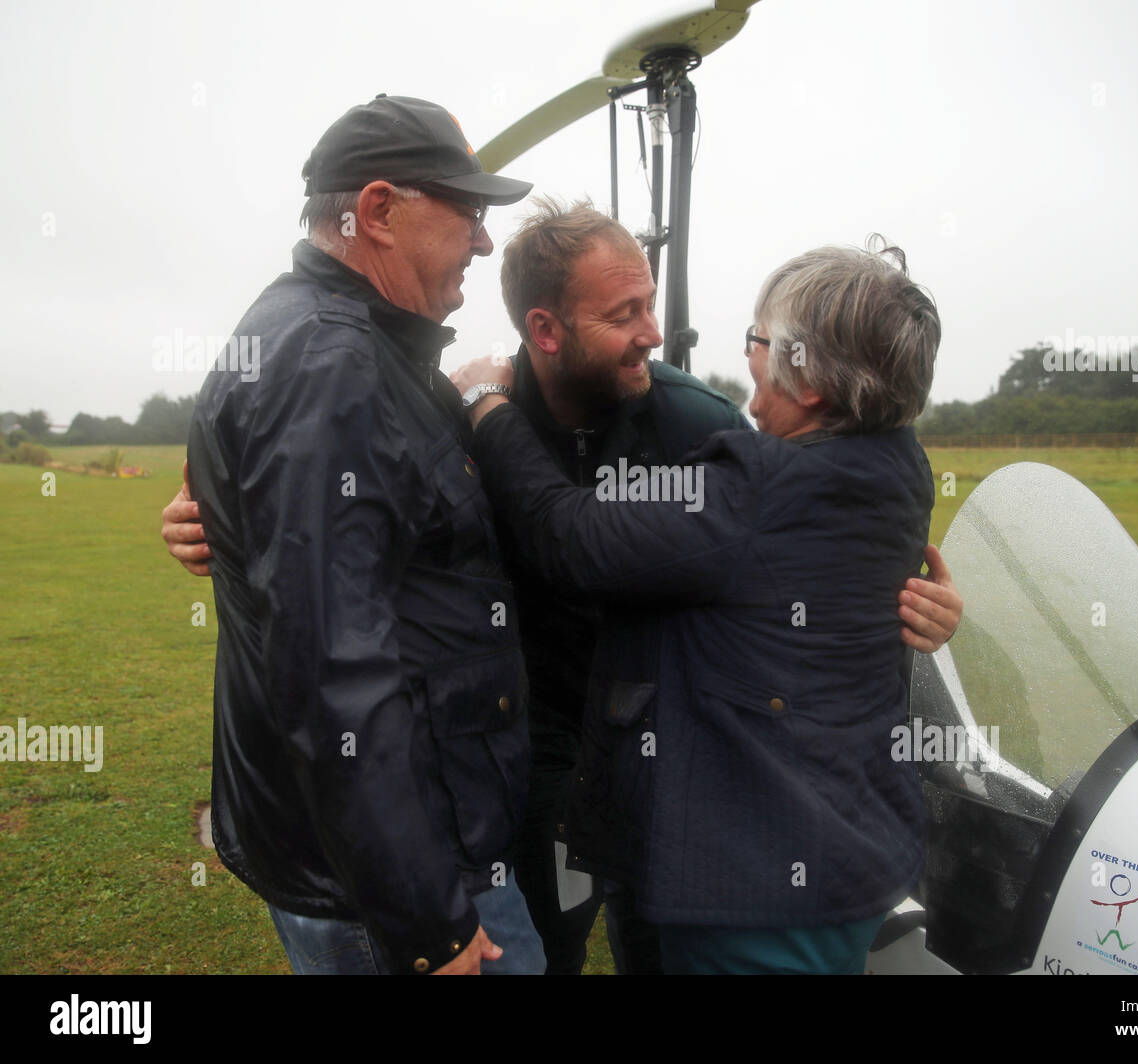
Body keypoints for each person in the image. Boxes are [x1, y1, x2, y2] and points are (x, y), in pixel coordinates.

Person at [164, 204, 963, 973]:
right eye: (624, 313)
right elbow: (350, 518)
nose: (653, 334)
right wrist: (224, 524)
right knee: (548, 938)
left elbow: (725, 537)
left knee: (652, 932)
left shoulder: (701, 426)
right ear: (544, 330)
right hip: (523, 738)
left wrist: (901, 604)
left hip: (685, 765)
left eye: (652, 304)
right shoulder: (446, 414)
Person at [452, 237, 941, 974]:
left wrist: (484, 405)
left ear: (810, 382)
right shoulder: (898, 461)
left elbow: (573, 537)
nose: (749, 360)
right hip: (846, 853)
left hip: (755, 880)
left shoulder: (753, 485)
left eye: (759, 340)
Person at [183, 94, 543, 975]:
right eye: (469, 211)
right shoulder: (330, 364)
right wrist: (430, 922)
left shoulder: (320, 337)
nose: (486, 242)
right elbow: (332, 666)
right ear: (378, 212)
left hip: (361, 850)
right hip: (402, 874)